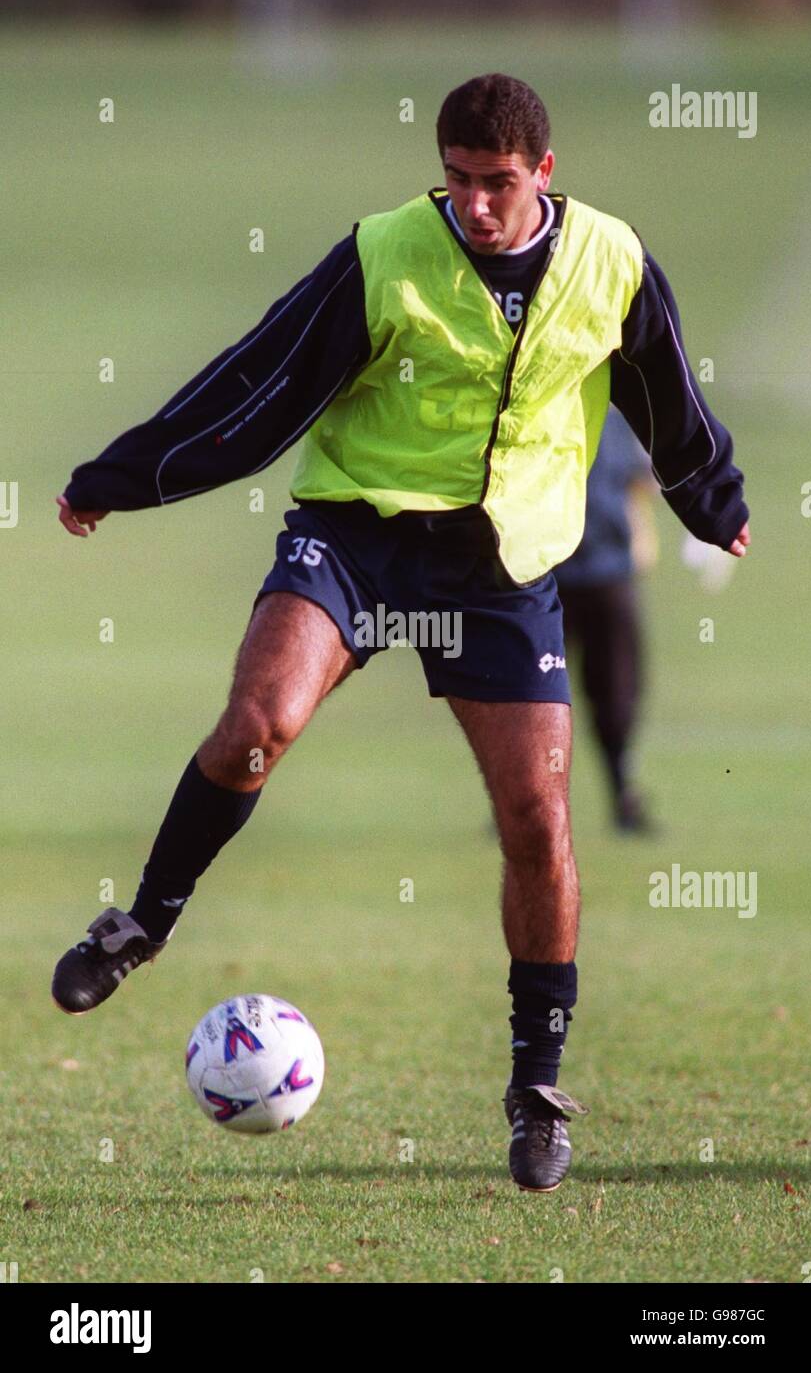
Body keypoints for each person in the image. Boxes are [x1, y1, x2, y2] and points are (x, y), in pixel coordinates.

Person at [52, 74, 750, 1194]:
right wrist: (121, 477)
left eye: (498, 184)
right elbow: (259, 381)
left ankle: (535, 1085)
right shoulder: (384, 252)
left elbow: (662, 392)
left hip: (500, 566)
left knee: (536, 817)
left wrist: (711, 497)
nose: (473, 205)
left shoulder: (610, 261)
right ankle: (140, 922)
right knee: (254, 727)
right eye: (459, 181)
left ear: (543, 175)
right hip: (357, 537)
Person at [554, 405, 658, 833]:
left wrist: (644, 537)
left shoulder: (621, 412)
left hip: (609, 571)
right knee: (532, 692)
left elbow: (640, 481)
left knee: (618, 691)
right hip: (545, 573)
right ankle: (523, 798)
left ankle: (622, 794)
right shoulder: (544, 404)